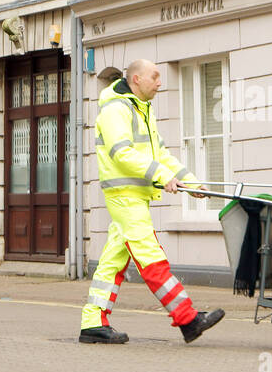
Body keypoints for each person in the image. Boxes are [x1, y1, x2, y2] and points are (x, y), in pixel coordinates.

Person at [78, 59, 225, 345]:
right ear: (136, 79)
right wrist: (160, 176)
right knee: (149, 254)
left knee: (112, 262)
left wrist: (191, 183)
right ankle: (187, 318)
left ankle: (93, 322)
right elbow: (122, 154)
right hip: (124, 196)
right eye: (155, 77)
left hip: (134, 195)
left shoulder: (141, 109)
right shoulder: (115, 110)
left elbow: (162, 155)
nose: (160, 82)